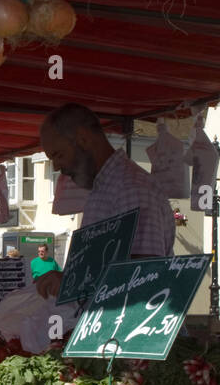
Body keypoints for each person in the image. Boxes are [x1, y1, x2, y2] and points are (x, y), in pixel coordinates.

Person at [38, 104, 175, 299]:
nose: (57, 166)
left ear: (83, 138)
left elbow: (145, 273)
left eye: (58, 155)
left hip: (134, 324)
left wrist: (71, 281)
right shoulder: (104, 187)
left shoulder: (131, 188)